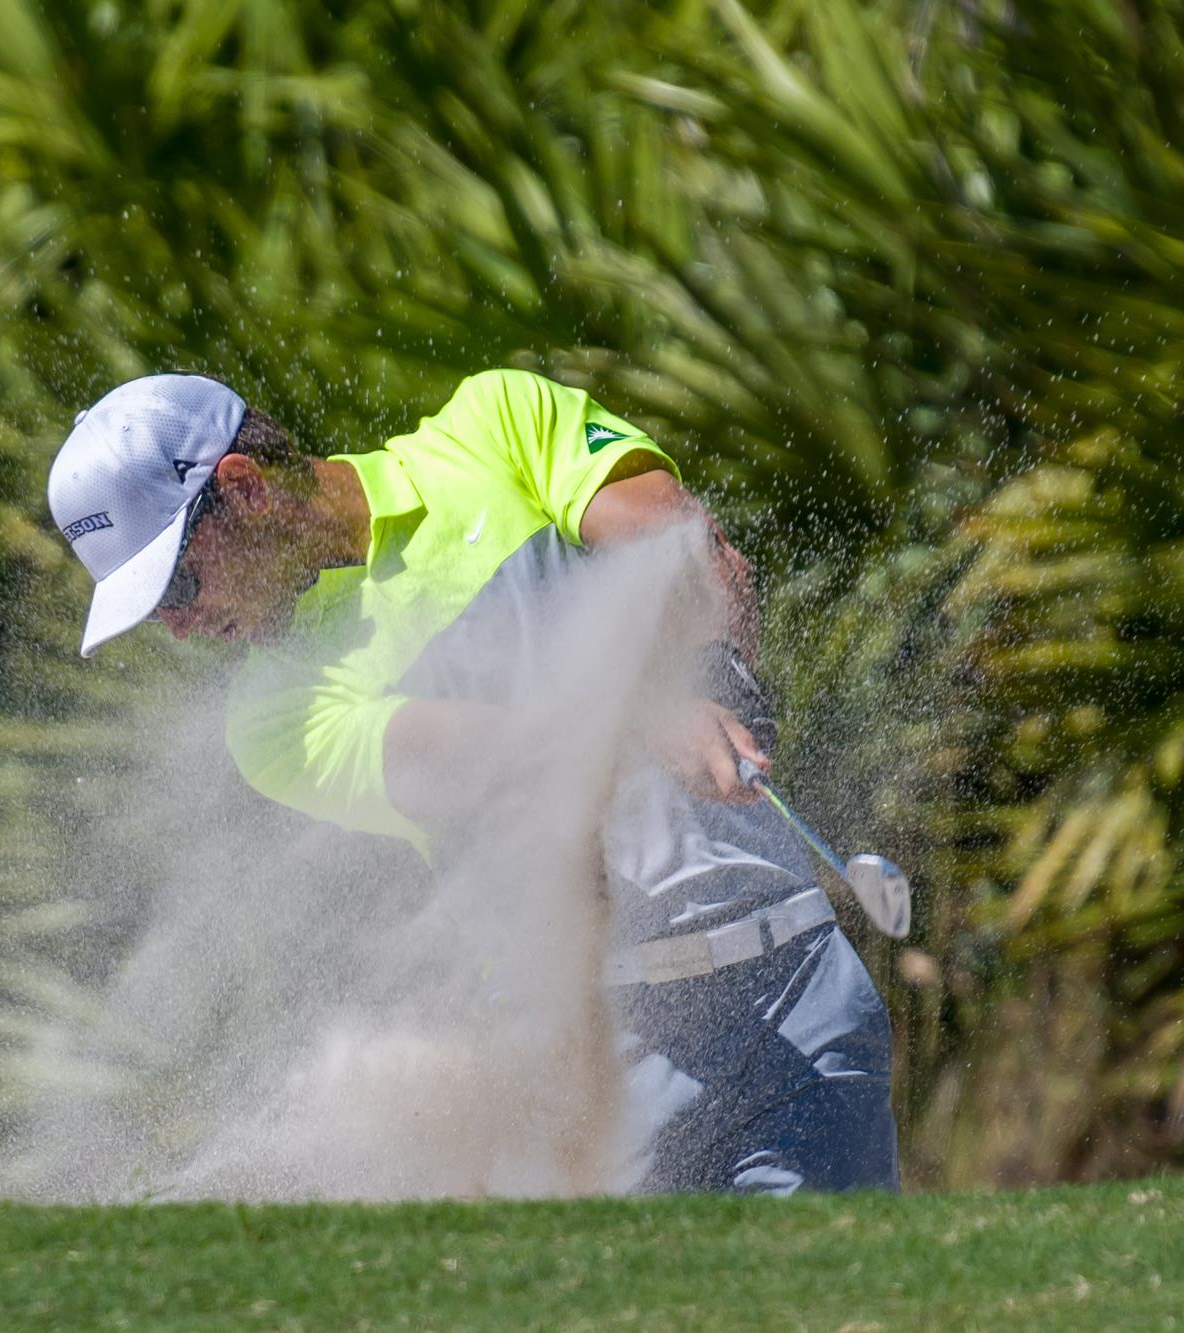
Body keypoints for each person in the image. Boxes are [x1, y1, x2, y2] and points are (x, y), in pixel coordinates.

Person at [47, 369, 899, 1194]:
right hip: (604, 1071)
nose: (182, 628)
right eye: (155, 616)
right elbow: (496, 761)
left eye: (177, 586)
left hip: (795, 990)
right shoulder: (271, 716)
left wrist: (713, 679)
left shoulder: (494, 424)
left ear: (245, 489)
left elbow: (682, 546)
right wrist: (644, 715)